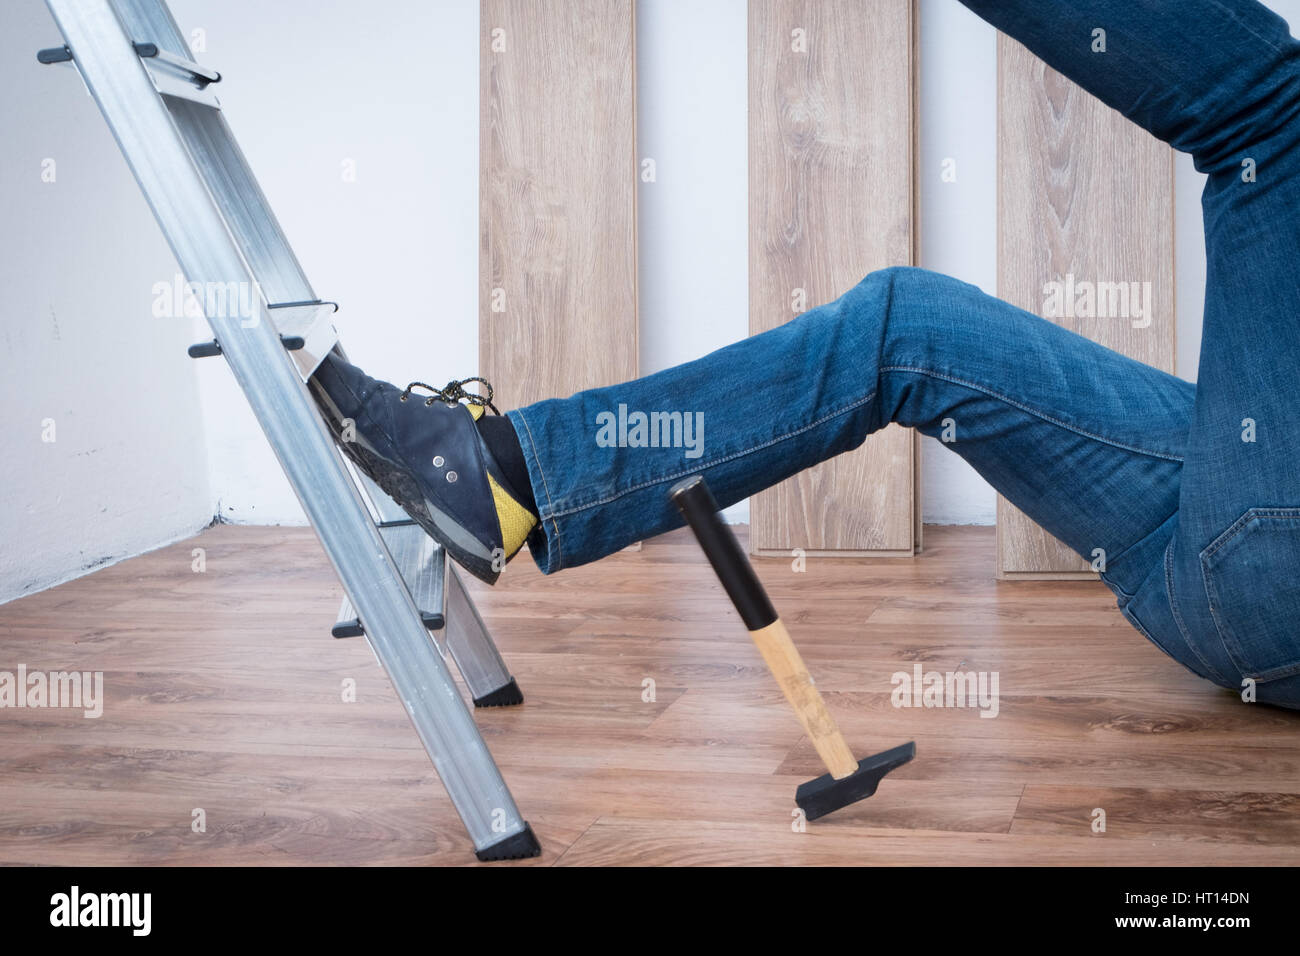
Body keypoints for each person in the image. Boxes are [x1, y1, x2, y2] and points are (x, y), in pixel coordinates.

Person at [307, 0, 1300, 710]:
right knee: (909, 328)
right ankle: (509, 475)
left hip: (1269, 565)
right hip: (1229, 564)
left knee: (1270, 109)